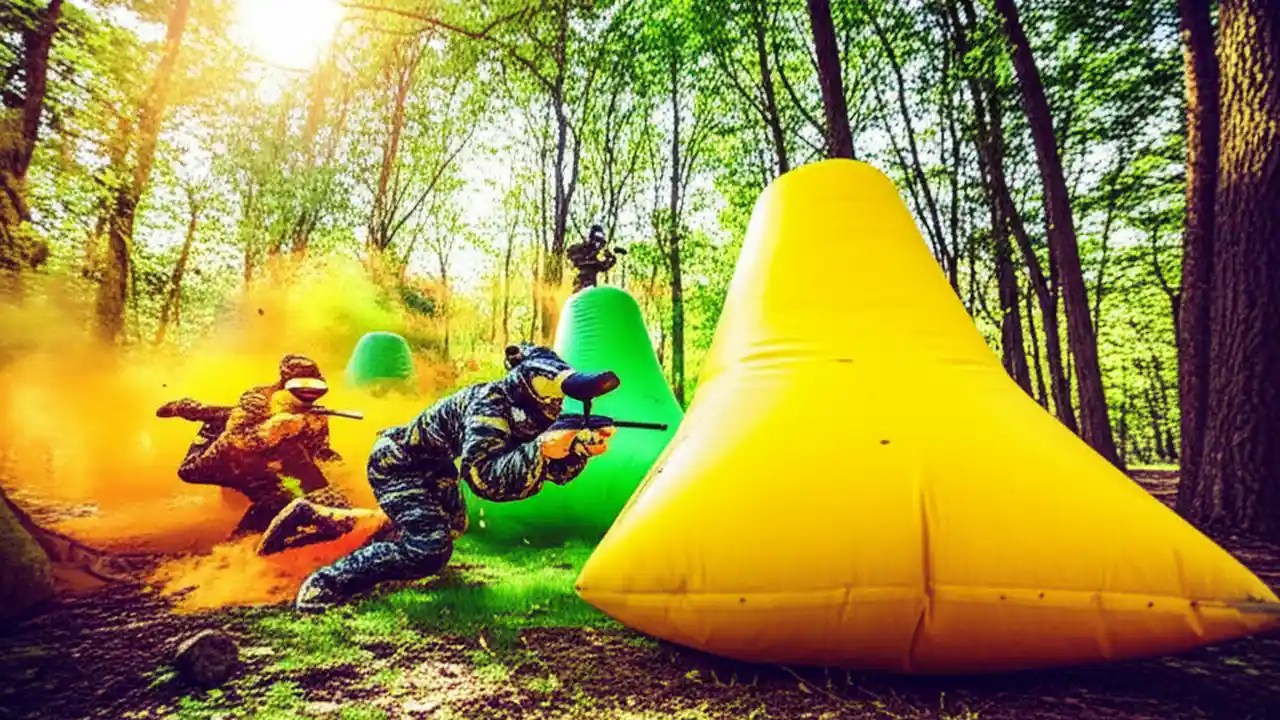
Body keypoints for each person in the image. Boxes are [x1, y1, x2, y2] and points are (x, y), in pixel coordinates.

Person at [293, 343, 616, 611]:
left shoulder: (530, 408)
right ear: (525, 384)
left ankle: (363, 532)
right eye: (548, 392)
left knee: (449, 529)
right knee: (429, 549)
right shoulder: (489, 405)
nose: (553, 403)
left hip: (435, 464)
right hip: (399, 463)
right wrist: (542, 450)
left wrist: (577, 450)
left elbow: (552, 472)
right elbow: (484, 478)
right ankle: (326, 583)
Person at [156, 354, 352, 540]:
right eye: (302, 384)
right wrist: (273, 429)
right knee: (190, 469)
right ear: (284, 382)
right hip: (228, 459)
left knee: (278, 497)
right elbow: (239, 440)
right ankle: (195, 412)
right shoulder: (257, 400)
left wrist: (337, 478)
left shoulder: (315, 416)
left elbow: (316, 453)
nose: (310, 393)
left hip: (265, 468)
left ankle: (244, 541)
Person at [565, 224, 625, 293]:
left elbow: (603, 267)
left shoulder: (596, 258)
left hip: (591, 286)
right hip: (581, 282)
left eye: (599, 241)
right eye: (597, 240)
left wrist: (611, 258)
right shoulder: (582, 248)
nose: (598, 244)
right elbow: (572, 257)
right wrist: (590, 258)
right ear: (592, 237)